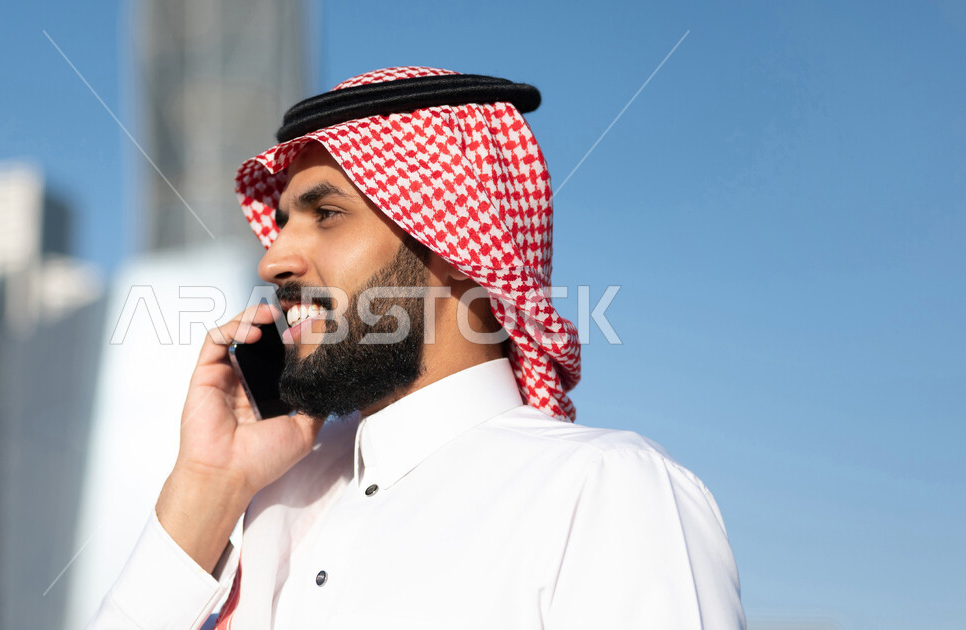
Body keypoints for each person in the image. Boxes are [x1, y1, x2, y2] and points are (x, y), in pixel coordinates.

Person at [88, 66, 745, 629]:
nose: (275, 259)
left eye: (327, 215)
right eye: (283, 222)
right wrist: (208, 486)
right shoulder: (267, 506)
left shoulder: (601, 492)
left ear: (460, 247)